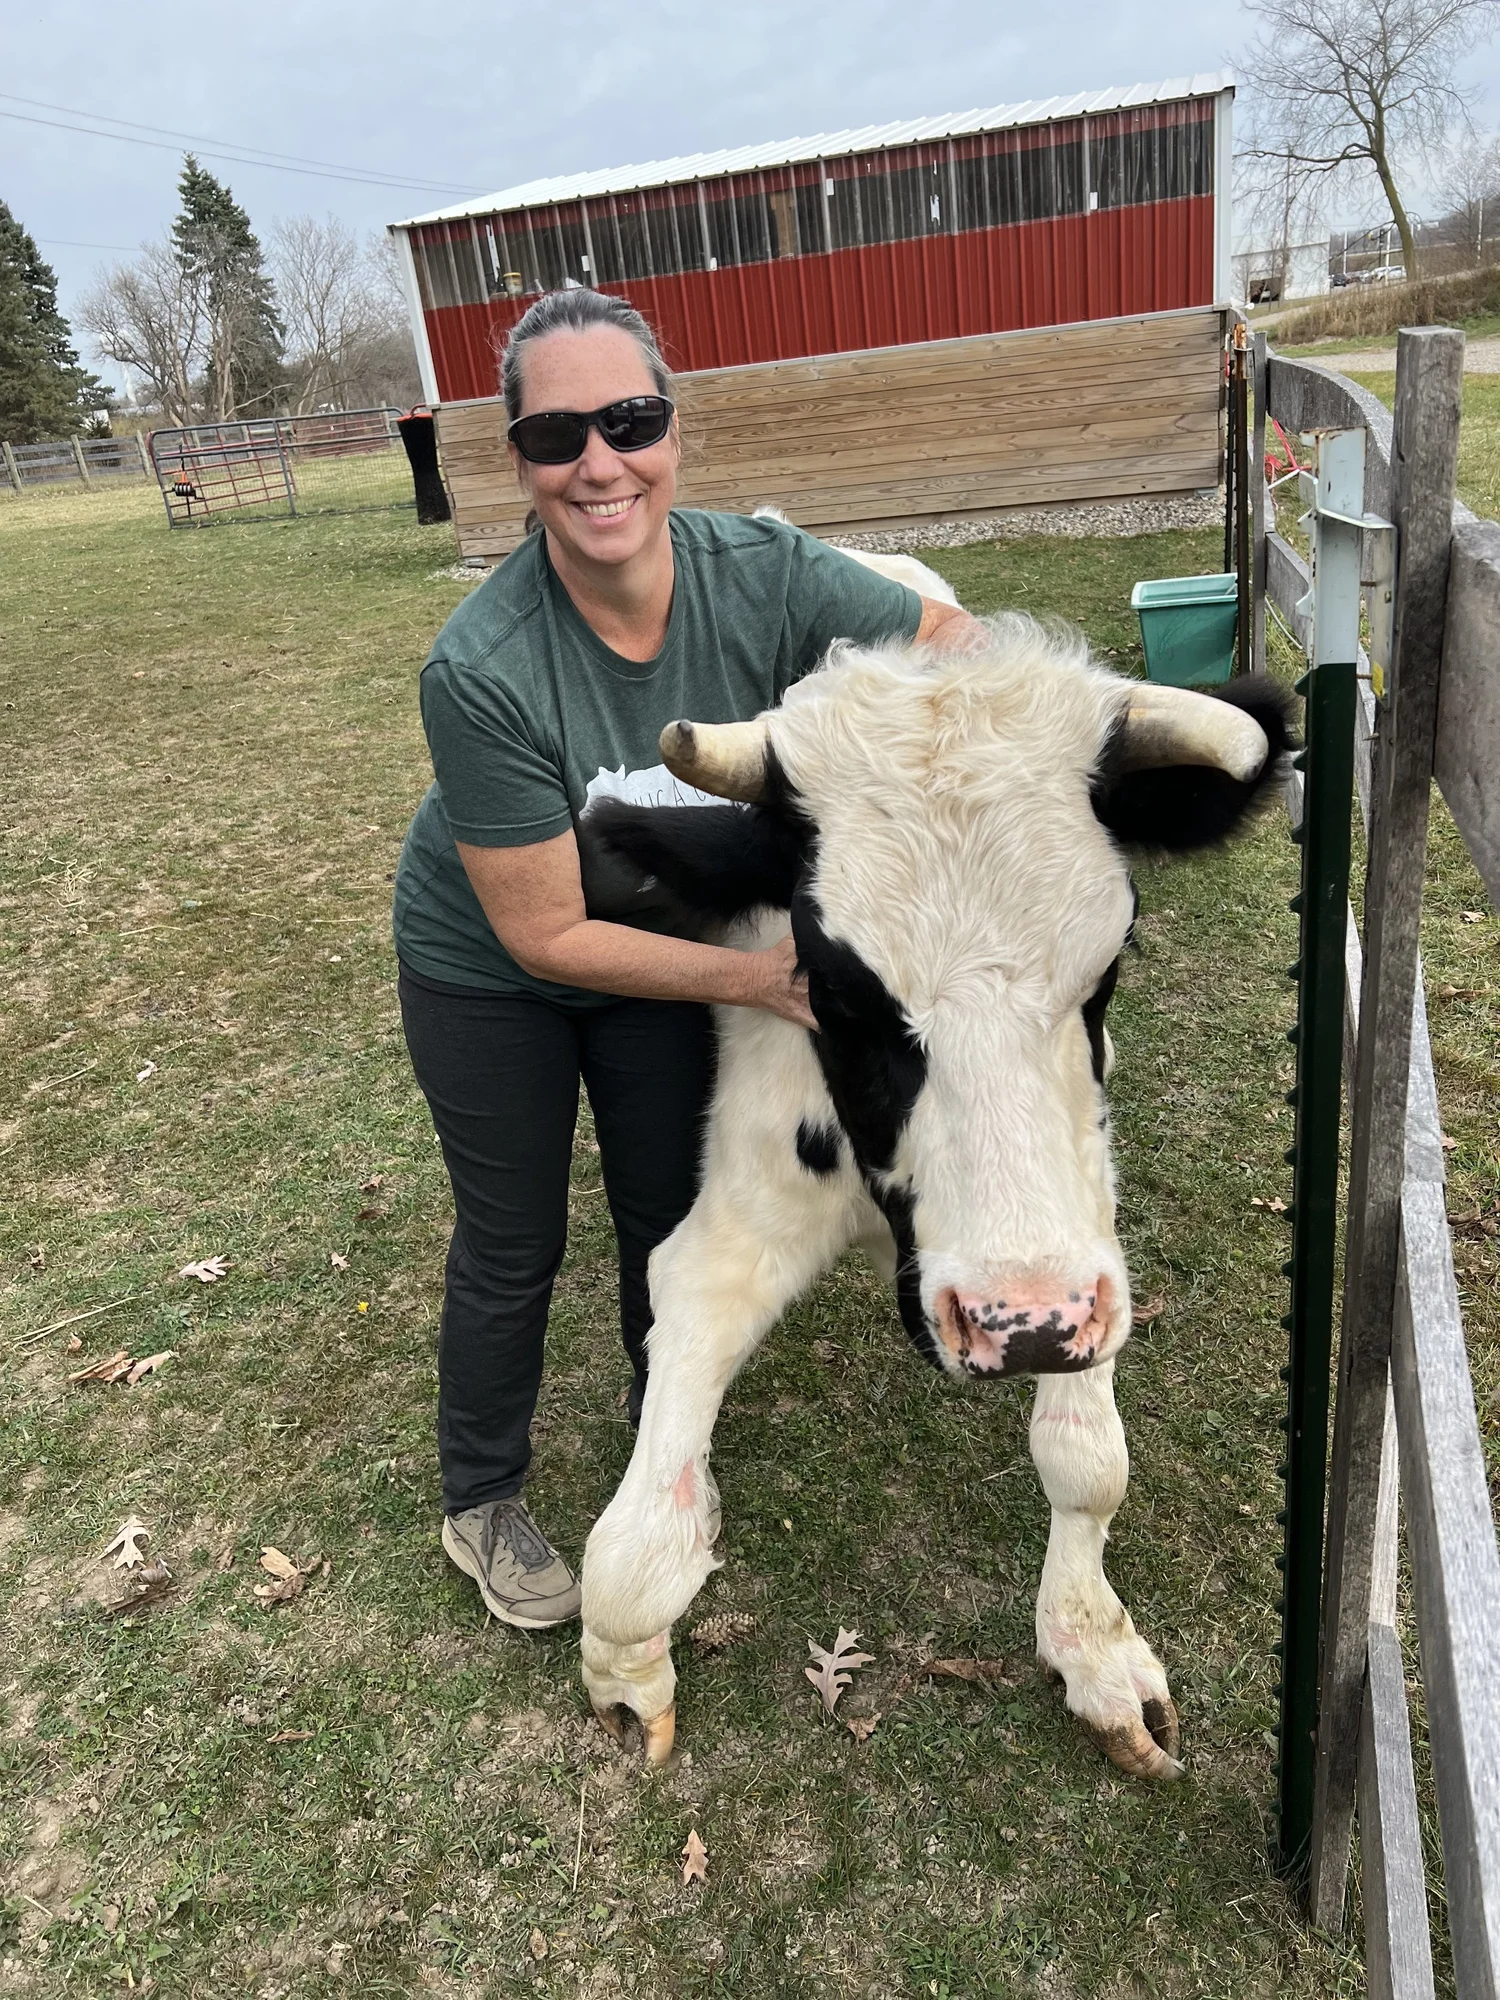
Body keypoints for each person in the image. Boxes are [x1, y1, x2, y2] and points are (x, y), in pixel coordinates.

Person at [393, 287, 979, 1630]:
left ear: (673, 426)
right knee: (513, 1236)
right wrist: (763, 981)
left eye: (631, 419)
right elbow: (542, 932)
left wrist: (993, 769)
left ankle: (667, 1458)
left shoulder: (756, 573)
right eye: (557, 436)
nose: (599, 462)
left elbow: (953, 642)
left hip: (659, 944)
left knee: (666, 1217)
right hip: (493, 972)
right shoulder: (480, 667)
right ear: (517, 457)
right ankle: (480, 1495)